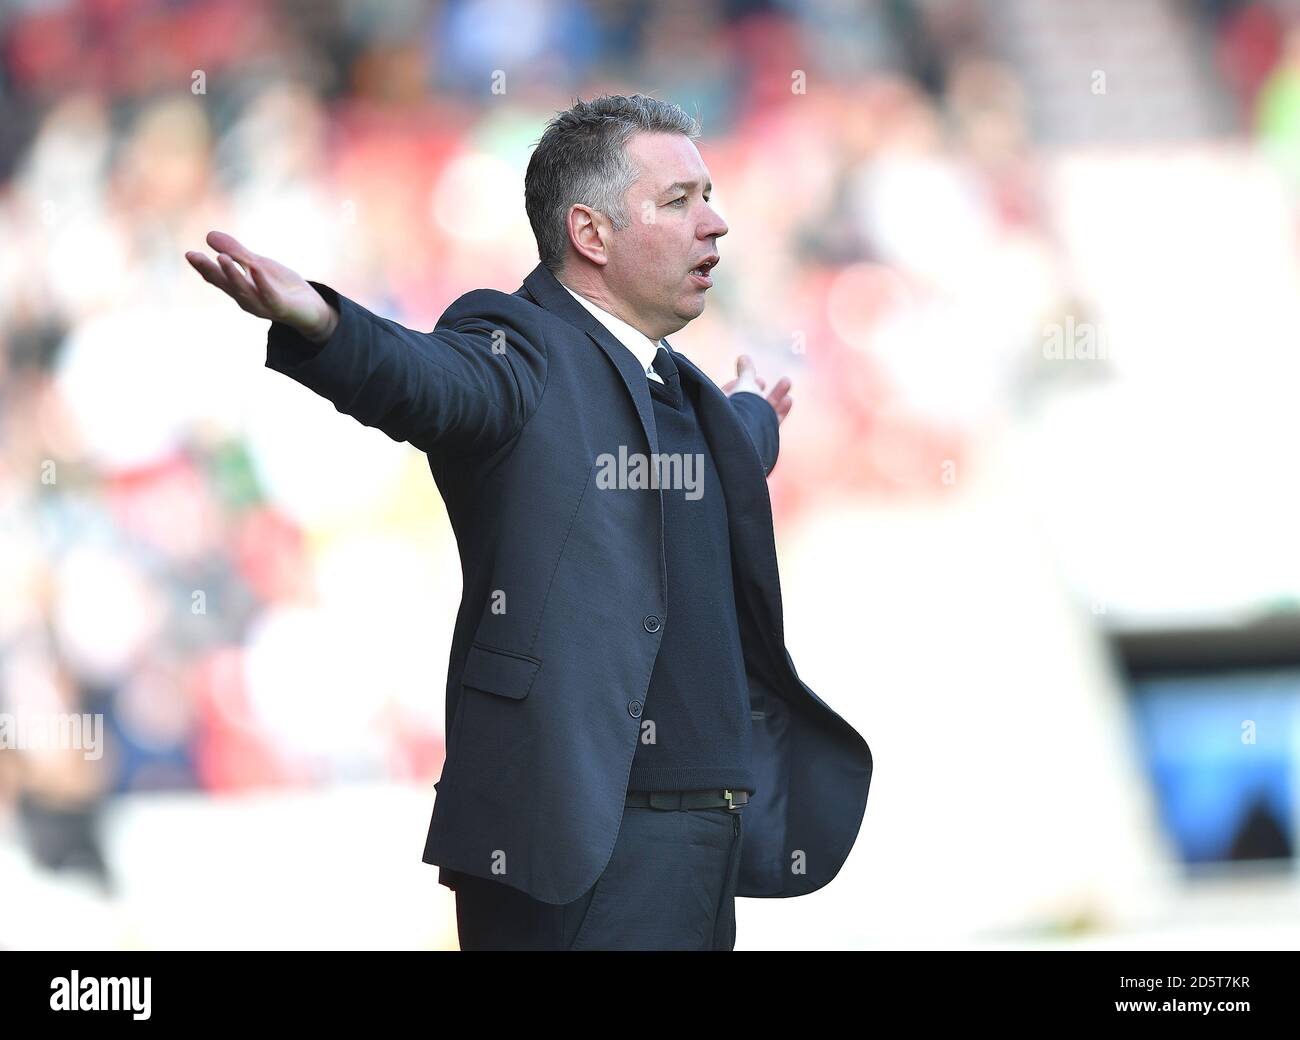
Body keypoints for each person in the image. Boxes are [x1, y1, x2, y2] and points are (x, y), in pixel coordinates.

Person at [185, 93, 872, 951]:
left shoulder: (680, 390)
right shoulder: (518, 344)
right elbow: (426, 380)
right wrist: (326, 326)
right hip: (578, 846)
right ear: (590, 233)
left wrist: (751, 419)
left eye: (710, 195)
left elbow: (699, 459)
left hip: (702, 846)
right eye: (680, 202)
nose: (716, 224)